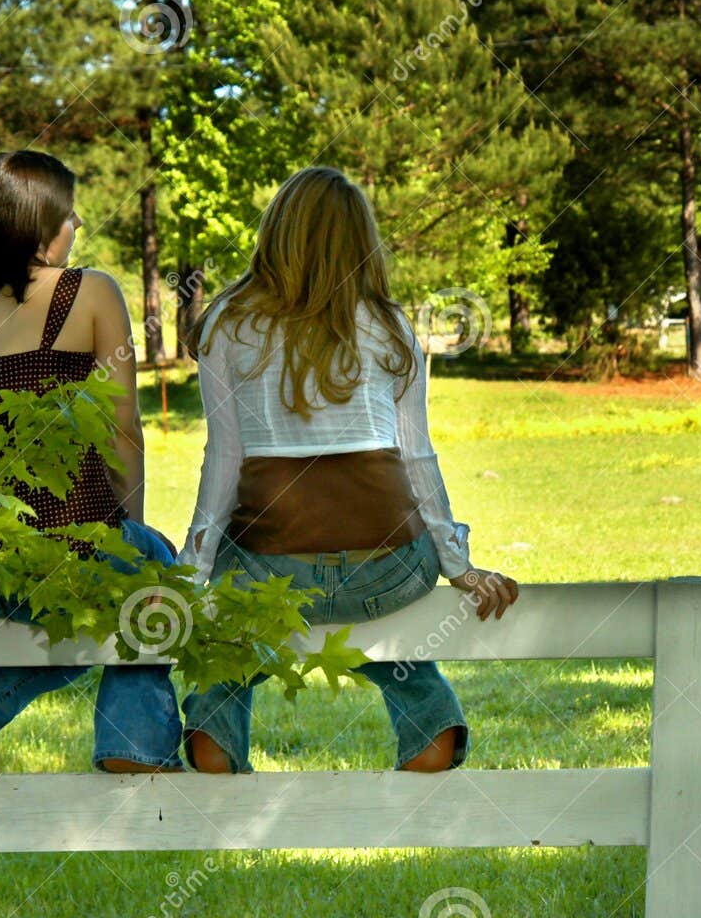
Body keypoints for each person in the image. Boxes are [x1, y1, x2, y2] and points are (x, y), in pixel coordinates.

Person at [179, 166, 519, 774]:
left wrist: (192, 571)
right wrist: (457, 563)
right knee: (370, 598)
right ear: (362, 242)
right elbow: (417, 456)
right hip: (386, 572)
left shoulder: (226, 322)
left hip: (272, 570)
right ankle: (430, 721)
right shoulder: (391, 326)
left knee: (236, 616)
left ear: (276, 232)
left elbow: (223, 461)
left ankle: (215, 733)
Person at [0, 150, 182, 776]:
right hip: (64, 542)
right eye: (69, 216)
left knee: (74, 615)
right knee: (152, 569)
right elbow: (122, 429)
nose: (76, 226)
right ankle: (135, 746)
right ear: (41, 229)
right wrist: (127, 525)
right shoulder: (91, 293)